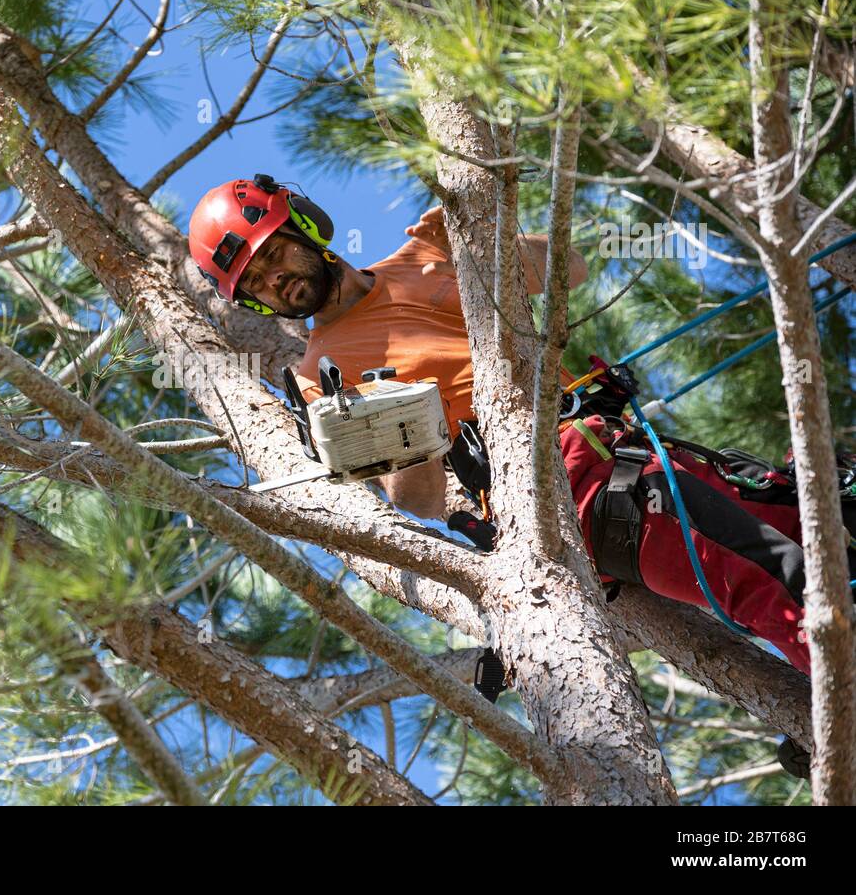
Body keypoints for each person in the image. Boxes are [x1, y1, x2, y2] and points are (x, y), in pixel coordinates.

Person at [188, 174, 834, 677]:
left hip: (622, 442)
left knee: (828, 527)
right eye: (259, 280)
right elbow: (418, 501)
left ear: (306, 227)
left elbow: (569, 270)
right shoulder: (317, 375)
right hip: (564, 491)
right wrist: (410, 433)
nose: (278, 277)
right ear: (252, 301)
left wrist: (482, 243)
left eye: (276, 252)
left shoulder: (426, 247)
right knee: (775, 579)